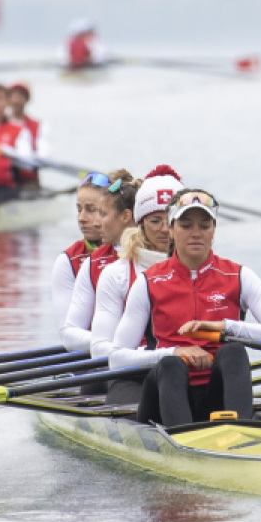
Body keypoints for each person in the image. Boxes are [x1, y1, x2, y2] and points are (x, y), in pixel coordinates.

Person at [108, 187, 261, 426]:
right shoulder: (148, 282)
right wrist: (173, 352)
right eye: (186, 225)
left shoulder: (239, 276)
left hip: (216, 396)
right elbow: (116, 358)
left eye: (204, 225)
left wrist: (226, 327)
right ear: (172, 230)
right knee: (170, 365)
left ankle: (241, 432)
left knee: (233, 352)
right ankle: (183, 442)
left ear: (214, 230)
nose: (196, 233)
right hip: (165, 395)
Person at [89, 167, 182, 403]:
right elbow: (100, 350)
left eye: (171, 221)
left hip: (184, 371)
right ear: (140, 223)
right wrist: (160, 355)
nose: (164, 229)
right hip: (132, 374)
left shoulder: (203, 271)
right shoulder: (116, 274)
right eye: (155, 221)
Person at [51, 169, 136, 343]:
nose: (82, 218)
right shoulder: (70, 260)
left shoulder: (142, 252)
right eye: (79, 209)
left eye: (92, 210)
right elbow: (67, 333)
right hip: (93, 352)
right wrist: (117, 343)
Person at [6, 82, 51, 192]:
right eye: (13, 97)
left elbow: (44, 154)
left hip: (28, 178)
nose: (16, 101)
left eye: (20, 97)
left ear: (26, 100)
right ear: (8, 101)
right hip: (4, 179)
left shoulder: (38, 126)